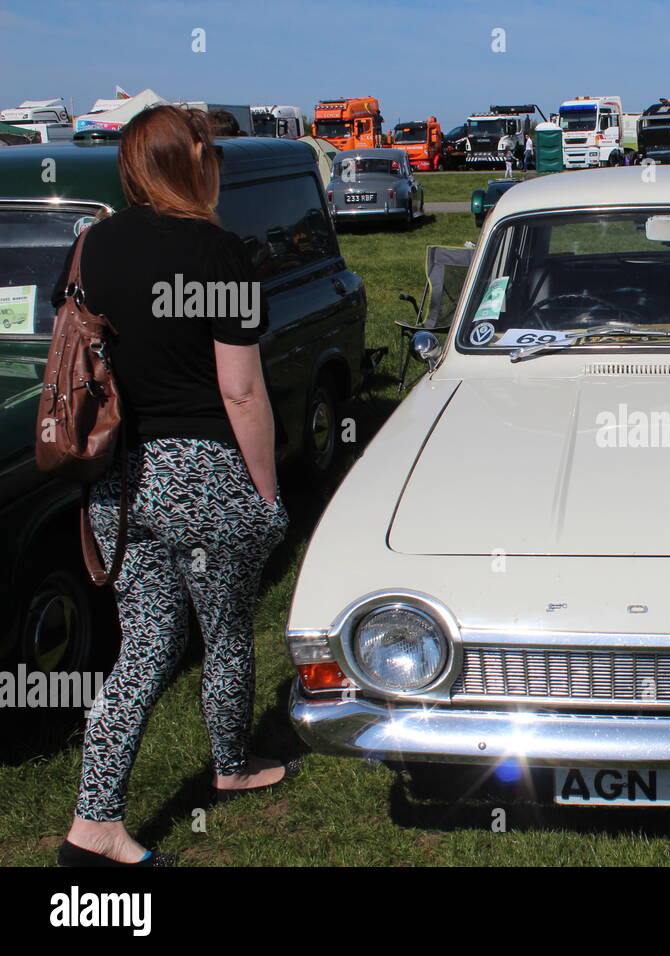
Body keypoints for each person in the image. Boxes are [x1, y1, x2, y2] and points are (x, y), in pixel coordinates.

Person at [53, 105, 292, 867]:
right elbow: (243, 393)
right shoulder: (223, 254)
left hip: (123, 480)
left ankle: (94, 823)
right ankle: (232, 764)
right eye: (207, 151)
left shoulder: (90, 246)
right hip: (207, 473)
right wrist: (267, 492)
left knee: (144, 650)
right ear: (191, 162)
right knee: (224, 634)